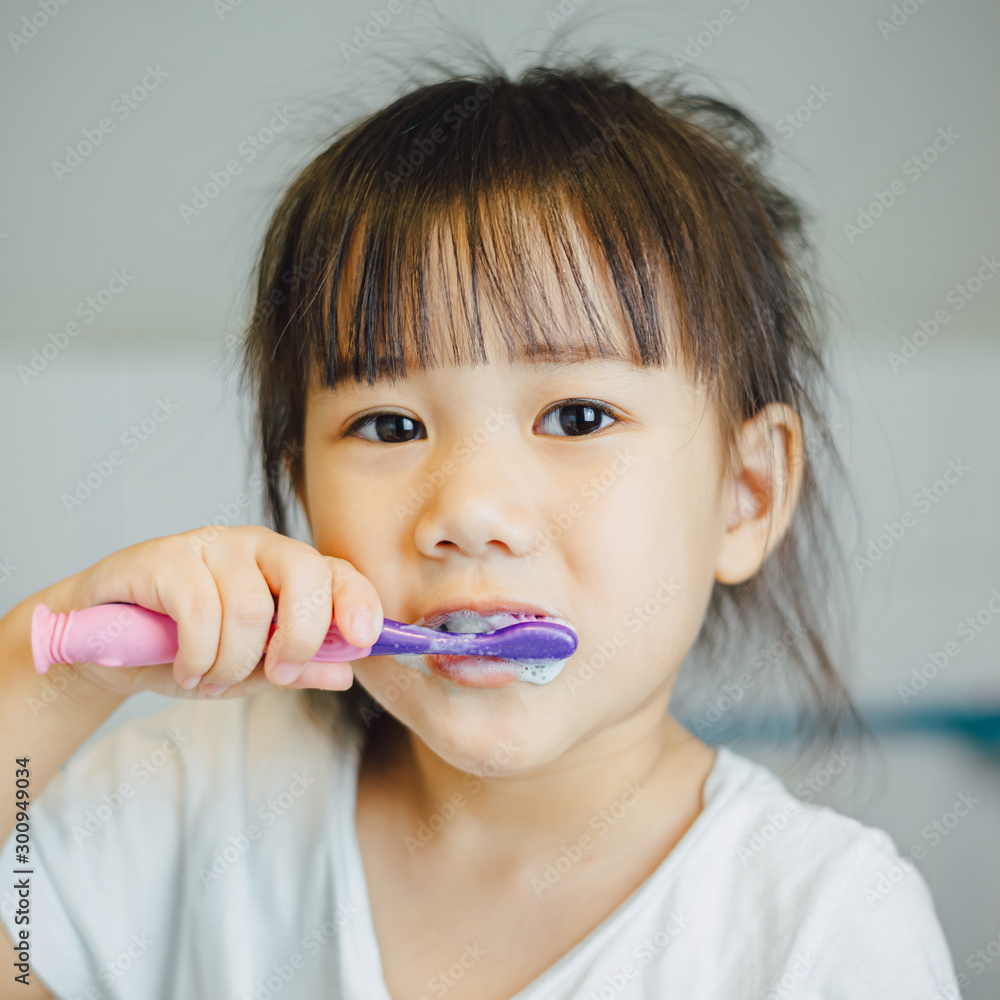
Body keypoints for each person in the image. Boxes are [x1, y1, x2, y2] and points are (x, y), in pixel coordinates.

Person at [0, 58, 961, 999]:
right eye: (389, 426)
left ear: (745, 495)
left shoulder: (822, 934)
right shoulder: (184, 806)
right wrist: (48, 670)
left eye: (578, 417)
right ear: (302, 494)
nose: (467, 513)